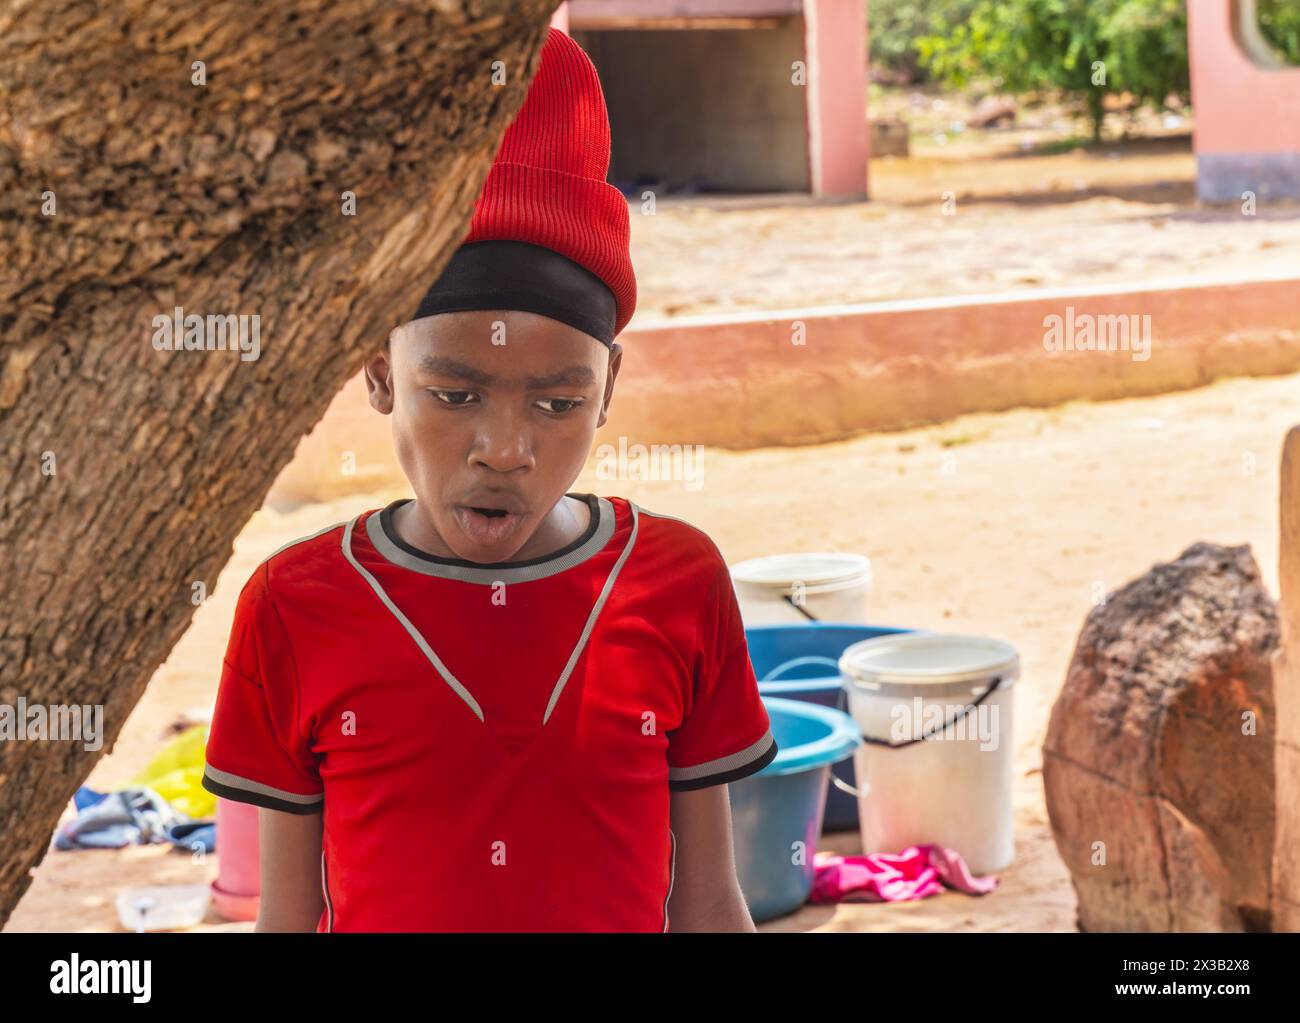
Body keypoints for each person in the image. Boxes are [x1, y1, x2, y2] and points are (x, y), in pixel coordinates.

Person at [201, 27, 776, 933]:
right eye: (456, 392)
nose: (504, 449)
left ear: (609, 390)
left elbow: (709, 901)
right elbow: (285, 917)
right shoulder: (293, 607)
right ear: (379, 372)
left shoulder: (678, 581)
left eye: (557, 403)